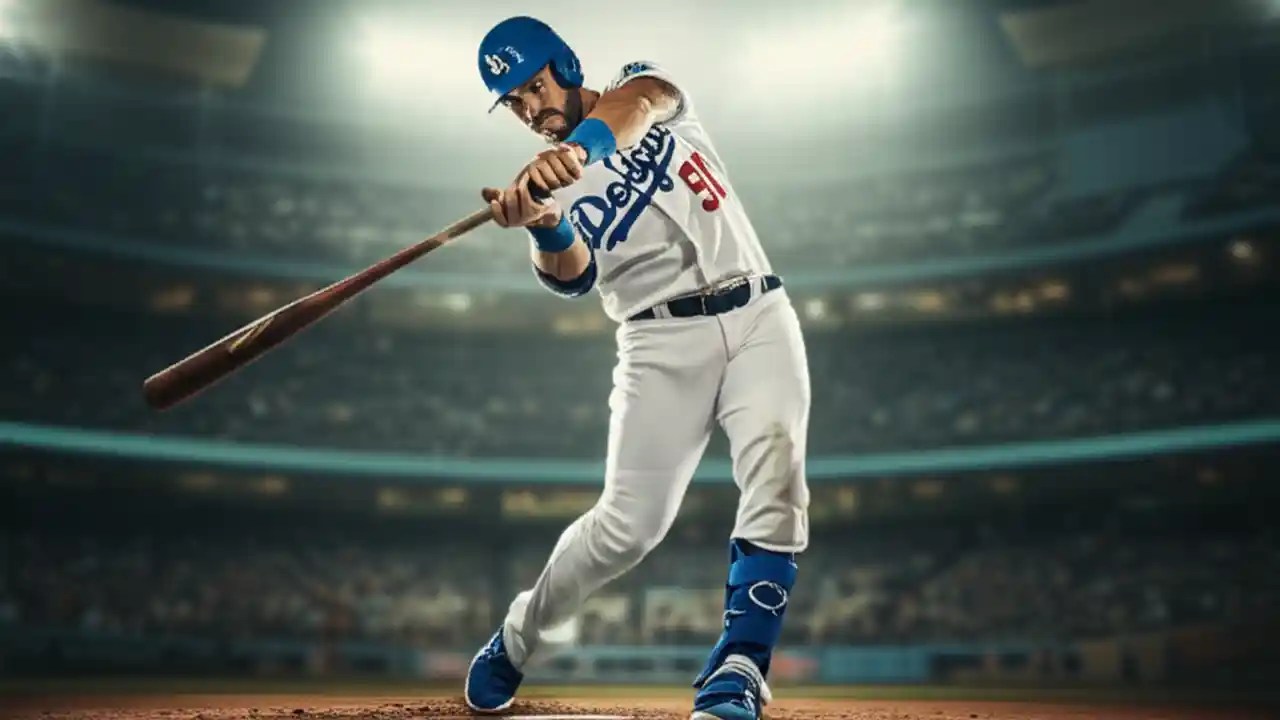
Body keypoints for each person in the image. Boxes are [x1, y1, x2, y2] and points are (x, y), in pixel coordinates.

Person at [464, 16, 811, 720]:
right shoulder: (543, 186)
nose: (532, 109)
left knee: (777, 466)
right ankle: (517, 636)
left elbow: (638, 106)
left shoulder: (638, 85)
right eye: (516, 102)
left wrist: (579, 154)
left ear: (564, 64)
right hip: (658, 344)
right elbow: (572, 278)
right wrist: (541, 220)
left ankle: (738, 667)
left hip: (758, 313)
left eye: (535, 85)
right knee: (628, 527)